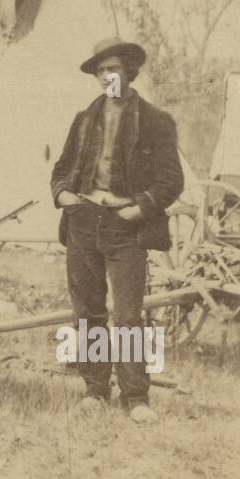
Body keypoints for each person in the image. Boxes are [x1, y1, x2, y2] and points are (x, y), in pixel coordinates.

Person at [50, 37, 184, 423]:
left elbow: (171, 180)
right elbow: (61, 170)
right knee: (88, 311)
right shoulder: (84, 119)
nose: (107, 76)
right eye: (101, 70)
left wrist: (139, 207)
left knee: (128, 315)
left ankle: (136, 398)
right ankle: (94, 388)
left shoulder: (156, 121)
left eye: (114, 68)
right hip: (82, 221)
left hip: (126, 227)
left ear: (129, 70)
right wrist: (63, 197)